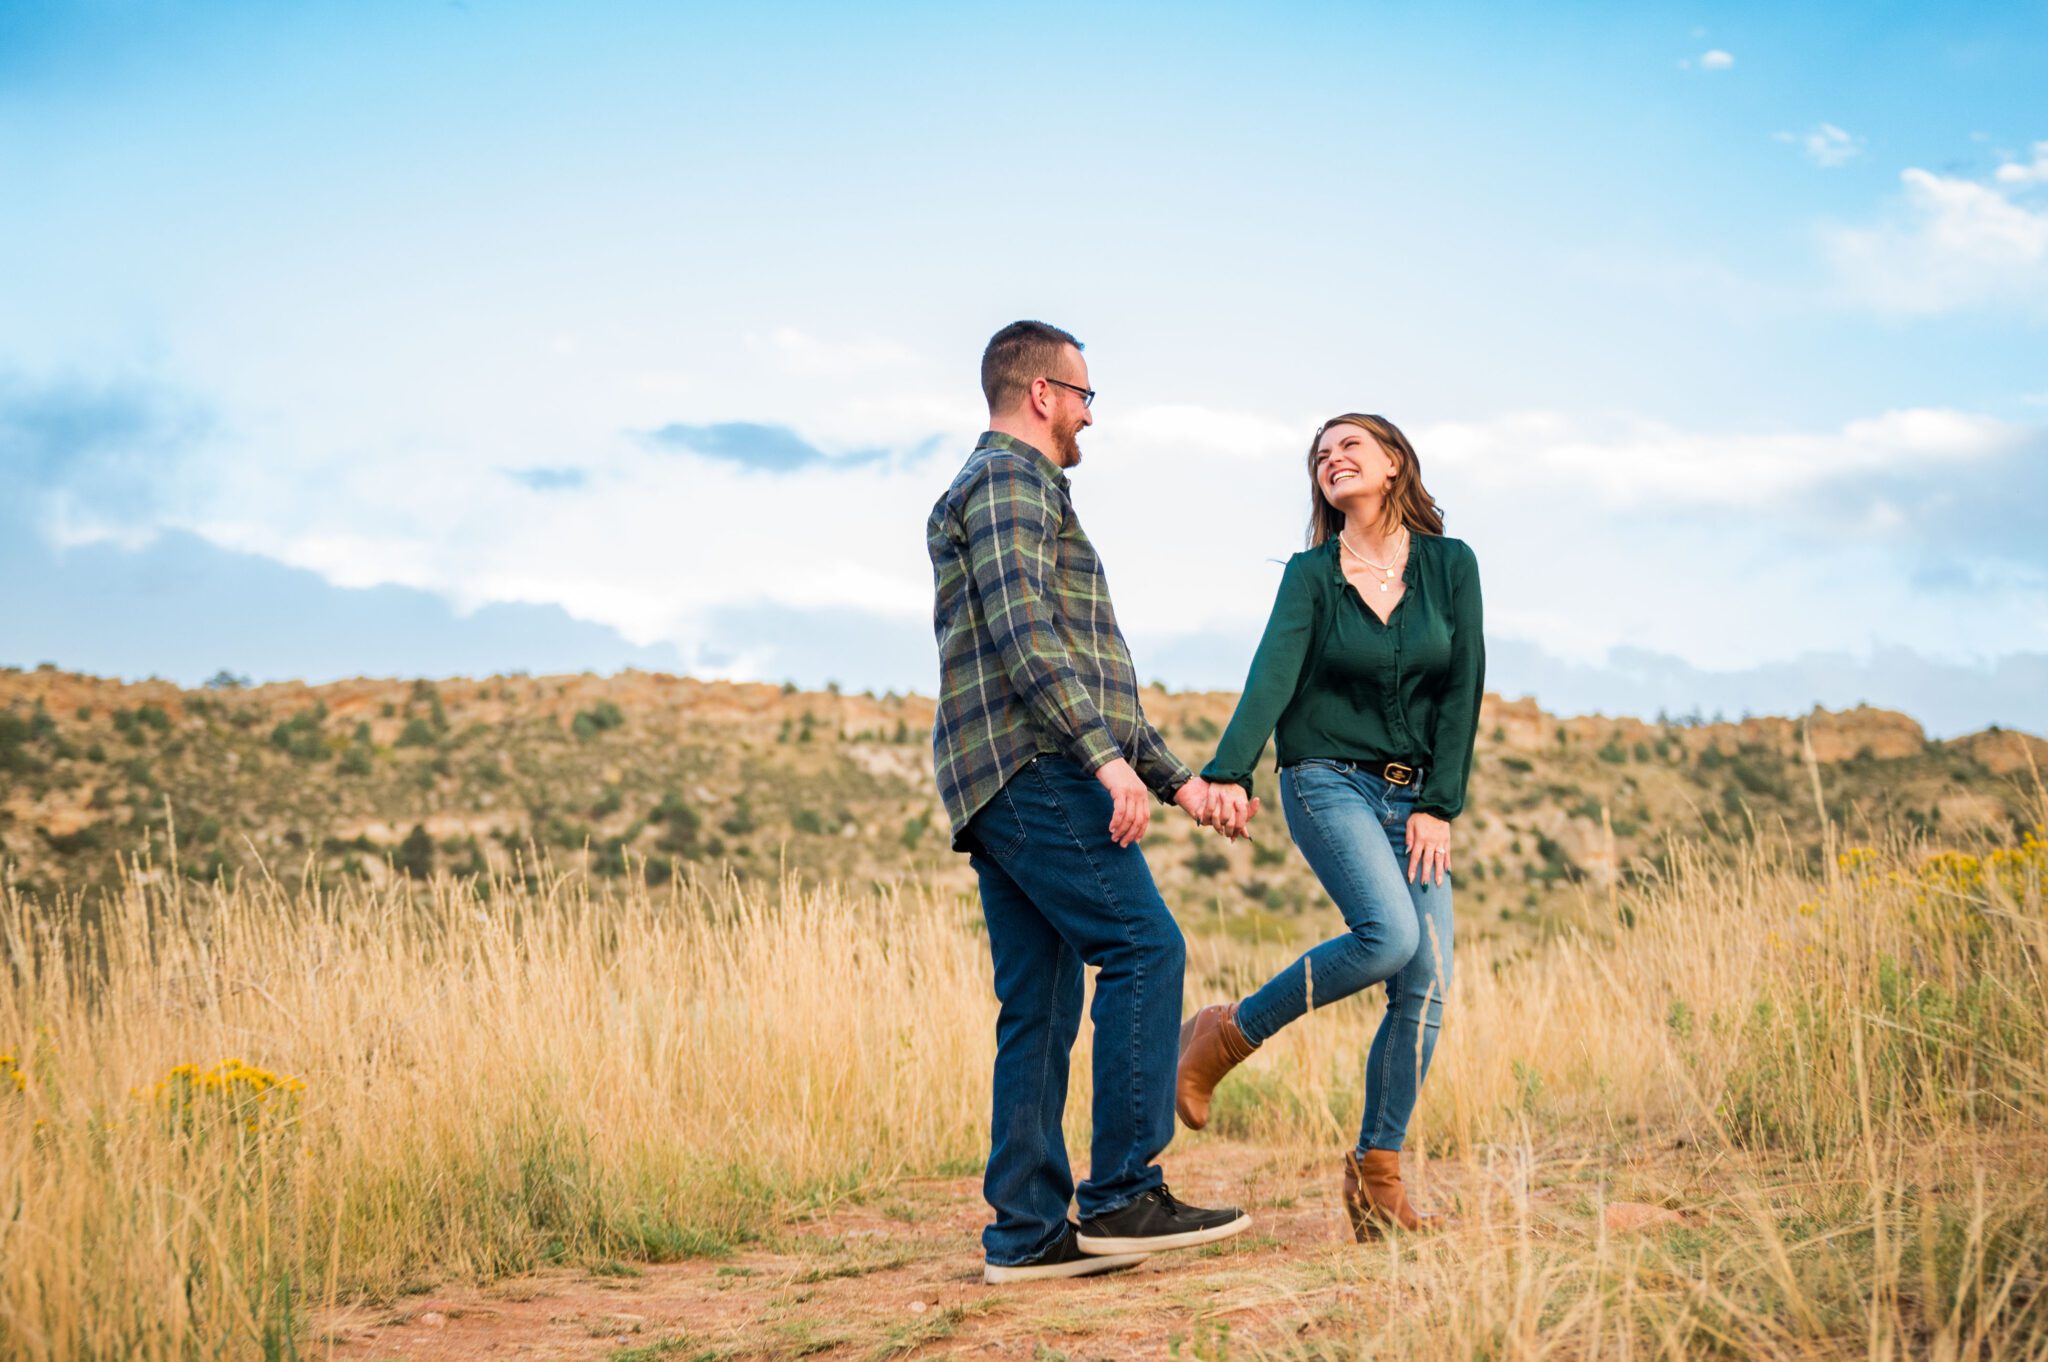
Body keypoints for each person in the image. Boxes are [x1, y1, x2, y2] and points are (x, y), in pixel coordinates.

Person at [928, 320, 1252, 1284]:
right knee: (1145, 948)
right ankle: (1121, 1197)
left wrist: (1175, 779)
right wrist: (1104, 766)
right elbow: (1029, 638)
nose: (1087, 416)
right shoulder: (1008, 484)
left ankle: (1026, 1236)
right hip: (1037, 767)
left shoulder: (1016, 492)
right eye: (1083, 396)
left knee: (1040, 1004)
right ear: (1041, 394)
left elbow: (1086, 672)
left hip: (1008, 776)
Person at [1177, 413, 1484, 1241]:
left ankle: (1375, 1180)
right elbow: (1272, 671)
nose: (1332, 458)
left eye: (1350, 446)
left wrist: (1439, 805)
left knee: (1423, 987)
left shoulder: (1452, 567)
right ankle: (1225, 1035)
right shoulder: (1312, 576)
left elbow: (1463, 689)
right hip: (1326, 781)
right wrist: (1231, 770)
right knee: (1387, 937)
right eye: (1320, 454)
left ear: (1394, 465)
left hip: (1412, 798)